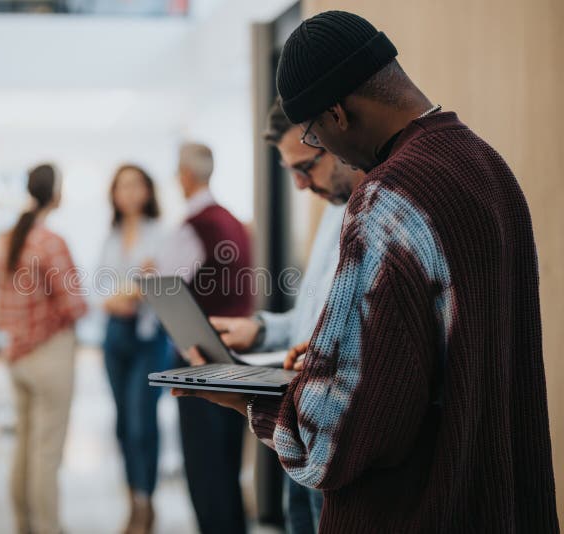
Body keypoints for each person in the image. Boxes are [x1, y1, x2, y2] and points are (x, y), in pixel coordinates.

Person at [172, 10, 559, 533]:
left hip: (414, 510)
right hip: (494, 500)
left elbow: (326, 442)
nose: (324, 153)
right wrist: (333, 356)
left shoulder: (385, 198)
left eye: (313, 138)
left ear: (337, 115)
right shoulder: (488, 165)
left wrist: (242, 396)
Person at [210, 98, 363, 533]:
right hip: (301, 432)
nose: (299, 185)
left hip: (339, 437)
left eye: (306, 168)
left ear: (336, 135)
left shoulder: (378, 217)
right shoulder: (333, 211)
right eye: (290, 171)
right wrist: (258, 331)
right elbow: (307, 322)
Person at [155, 143, 253, 534]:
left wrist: (148, 275)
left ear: (185, 176)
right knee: (228, 462)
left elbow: (167, 287)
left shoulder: (193, 225)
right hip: (239, 355)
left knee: (204, 464)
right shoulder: (233, 222)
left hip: (199, 356)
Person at [0, 163, 87, 534]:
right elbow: (74, 305)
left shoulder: (5, 239)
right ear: (56, 194)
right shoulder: (50, 241)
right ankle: (49, 528)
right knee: (46, 453)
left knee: (25, 446)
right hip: (49, 353)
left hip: (17, 356)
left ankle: (24, 525)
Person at [97, 164, 171, 534]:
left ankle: (146, 500)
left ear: (147, 191)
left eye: (135, 185)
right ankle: (133, 499)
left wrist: (128, 292)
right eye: (121, 186)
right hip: (115, 335)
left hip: (148, 337)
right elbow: (100, 286)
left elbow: (157, 283)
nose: (127, 192)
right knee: (123, 423)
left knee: (143, 421)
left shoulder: (161, 233)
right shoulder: (111, 235)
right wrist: (119, 295)